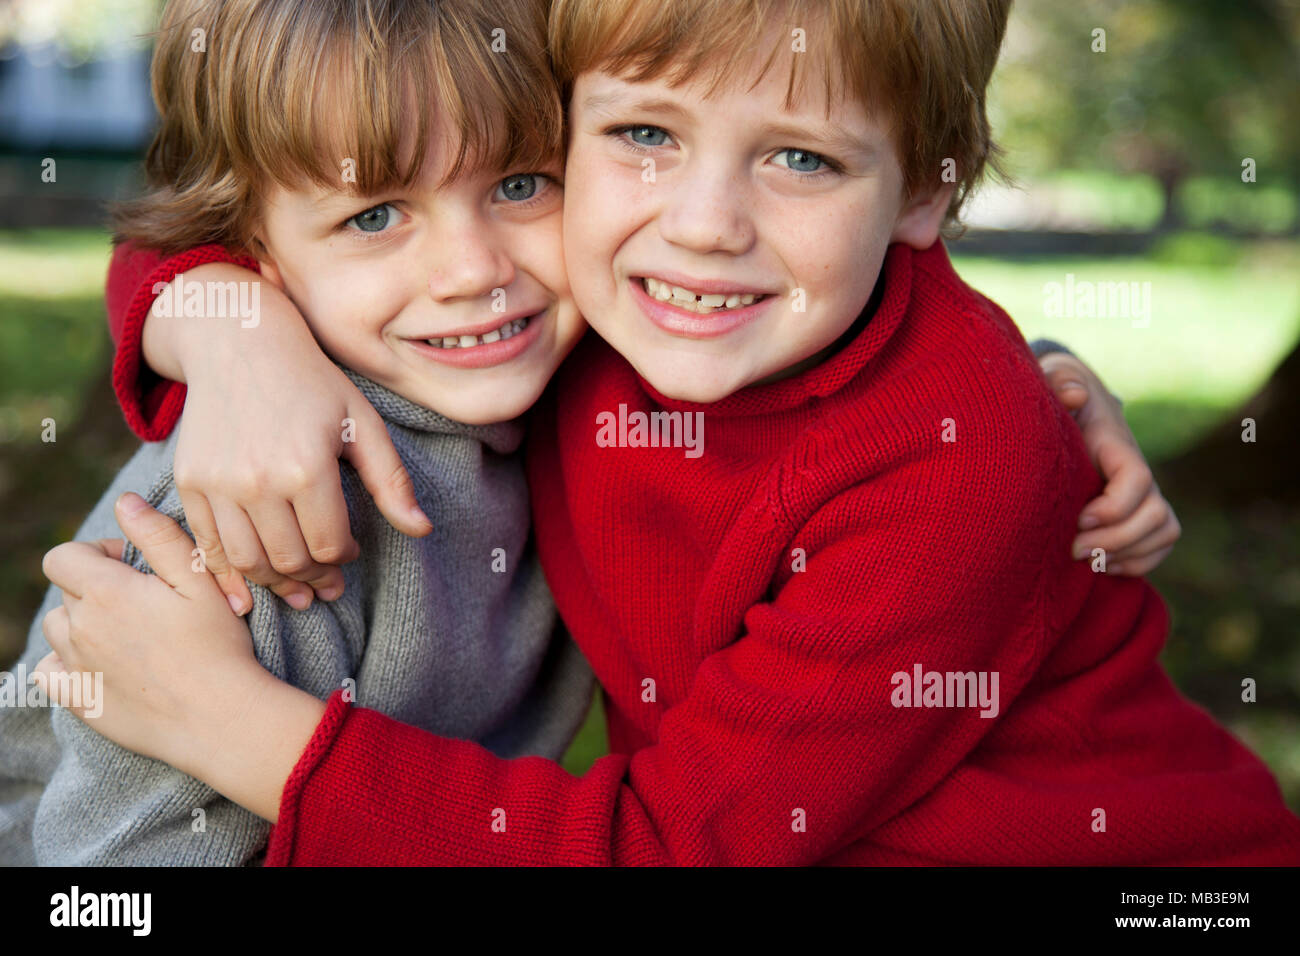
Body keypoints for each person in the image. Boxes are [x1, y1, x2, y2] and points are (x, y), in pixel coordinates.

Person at [41, 0, 1286, 866]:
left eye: (798, 158)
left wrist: (232, 725)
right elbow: (226, 205)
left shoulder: (947, 458)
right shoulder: (585, 301)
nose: (700, 226)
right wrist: (226, 329)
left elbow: (672, 846)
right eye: (642, 133)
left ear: (925, 191)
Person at [0, 0, 595, 866]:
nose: (475, 270)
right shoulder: (249, 509)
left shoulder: (571, 397)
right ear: (254, 249)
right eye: (375, 216)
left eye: (520, 184)